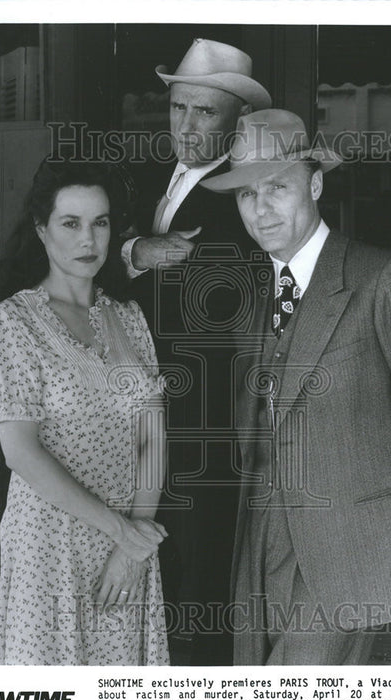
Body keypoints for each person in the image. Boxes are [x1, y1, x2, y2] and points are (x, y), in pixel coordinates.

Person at [202, 110, 391, 665]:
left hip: (345, 542)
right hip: (258, 536)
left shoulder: (388, 276)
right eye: (246, 194)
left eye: (278, 188)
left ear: (315, 184)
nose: (261, 208)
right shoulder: (253, 296)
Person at [0, 159, 169, 665]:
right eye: (70, 223)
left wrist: (131, 545)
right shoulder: (11, 325)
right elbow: (21, 452)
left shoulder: (129, 318)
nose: (89, 239)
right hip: (51, 545)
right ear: (41, 230)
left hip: (127, 547)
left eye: (100, 222)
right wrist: (121, 531)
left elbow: (152, 439)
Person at [123, 39, 272, 664]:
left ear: (235, 120)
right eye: (179, 108)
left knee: (196, 561)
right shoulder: (159, 177)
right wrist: (137, 249)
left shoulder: (239, 197)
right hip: (145, 408)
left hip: (197, 414)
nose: (186, 125)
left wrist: (135, 256)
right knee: (153, 553)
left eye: (203, 113)